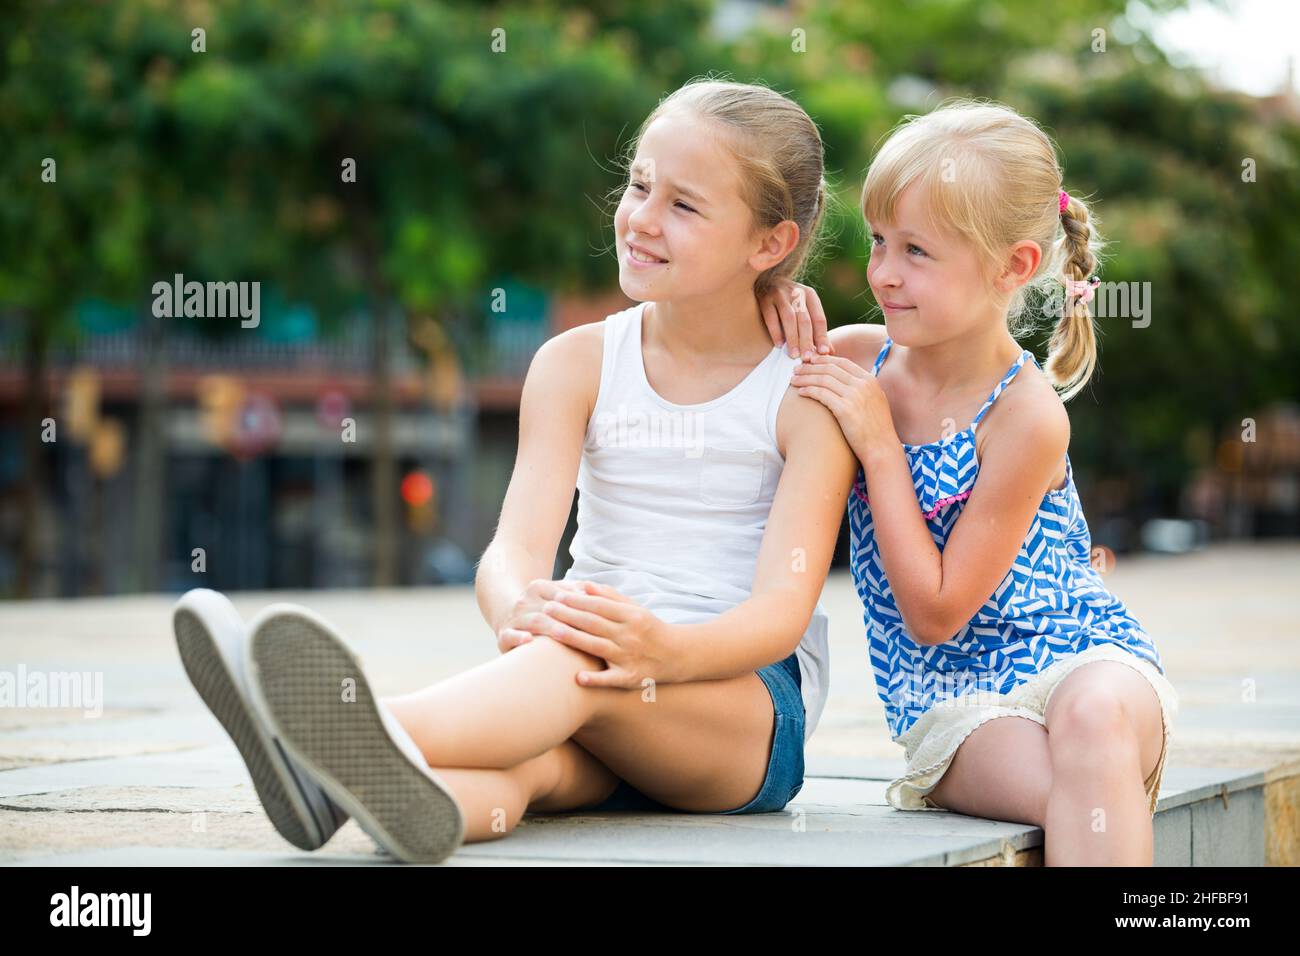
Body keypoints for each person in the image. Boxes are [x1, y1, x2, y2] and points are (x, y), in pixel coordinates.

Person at [173, 79, 857, 863]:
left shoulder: (804, 391)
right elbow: (514, 551)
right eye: (639, 186)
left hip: (742, 712)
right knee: (534, 770)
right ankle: (340, 793)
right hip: (591, 679)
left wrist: (661, 651)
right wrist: (517, 611)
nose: (642, 218)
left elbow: (781, 608)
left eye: (685, 206)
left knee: (577, 663)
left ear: (769, 244)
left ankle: (325, 728)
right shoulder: (575, 363)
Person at [761, 99, 1180, 865]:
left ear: (1014, 266)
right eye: (880, 241)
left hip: (1087, 662)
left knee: (1092, 728)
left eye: (917, 252)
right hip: (955, 703)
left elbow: (939, 605)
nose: (883, 273)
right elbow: (935, 642)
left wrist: (879, 445)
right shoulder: (858, 361)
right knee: (1087, 790)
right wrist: (777, 298)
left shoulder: (1026, 415)